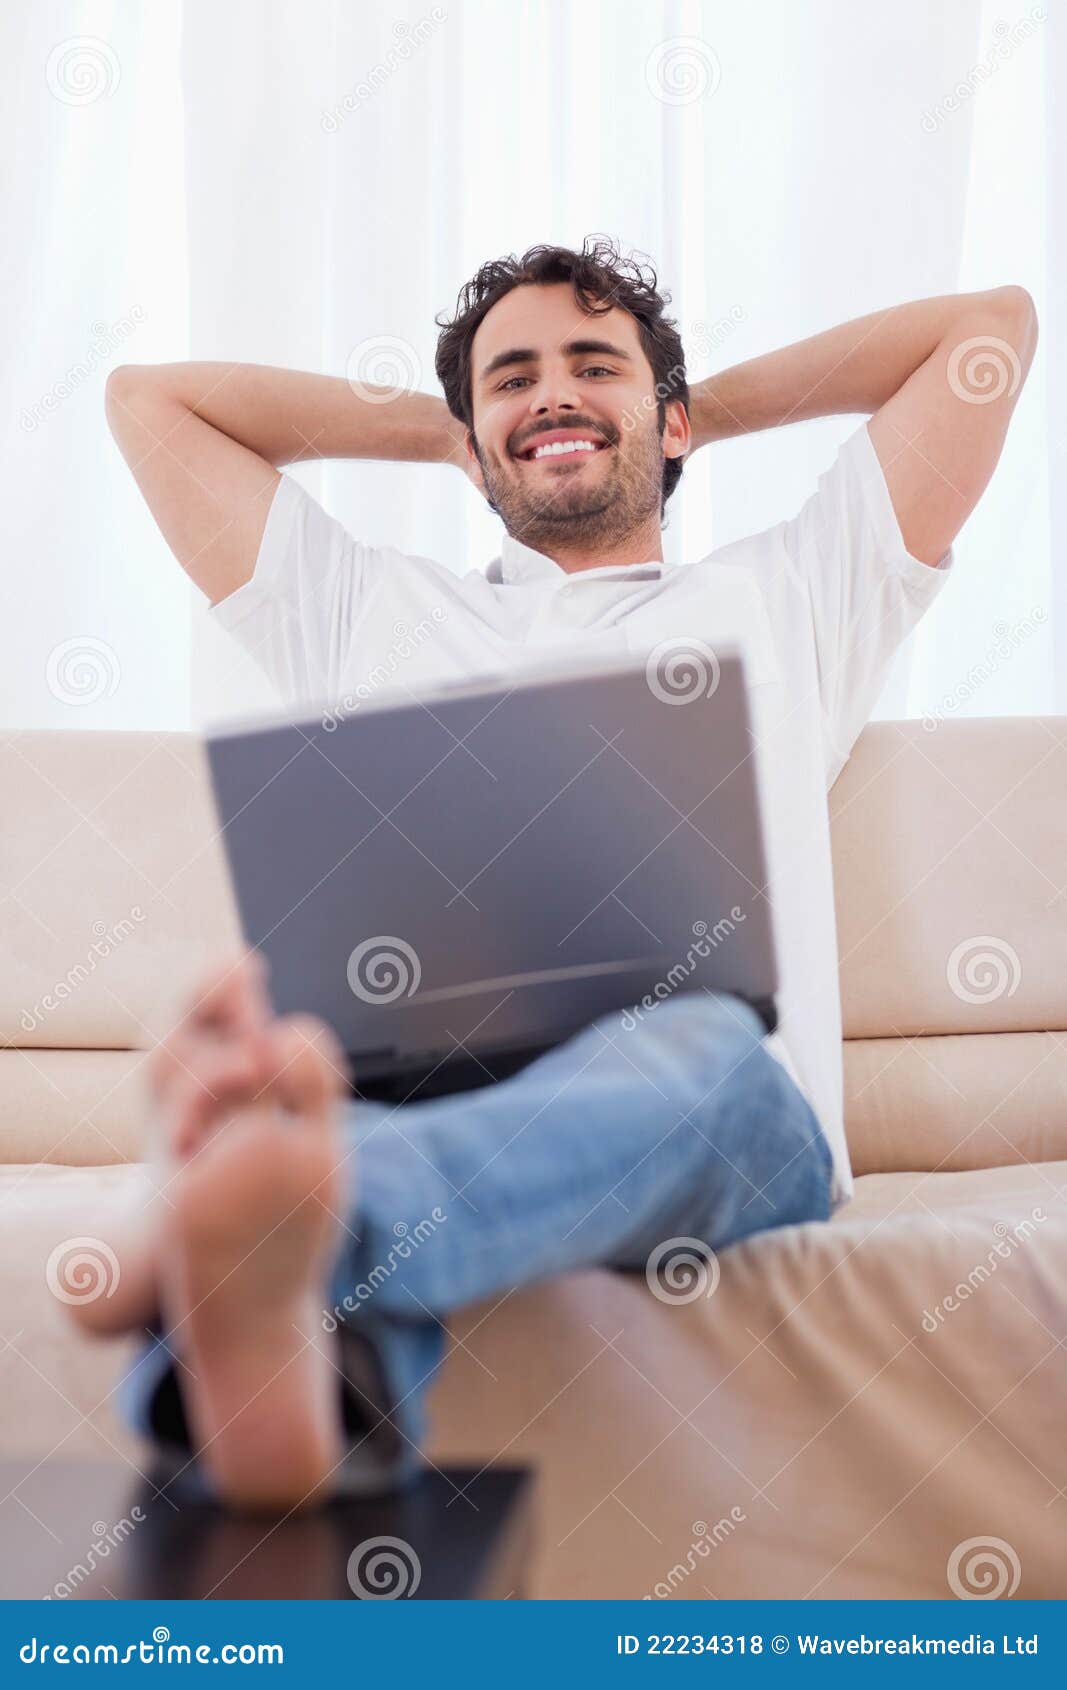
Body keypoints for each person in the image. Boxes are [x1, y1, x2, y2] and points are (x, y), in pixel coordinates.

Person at [72, 239, 1037, 1510]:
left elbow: (988, 329)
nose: (552, 394)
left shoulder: (796, 591)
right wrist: (459, 428)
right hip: (428, 1093)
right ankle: (293, 1387)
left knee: (696, 1047)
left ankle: (299, 1226)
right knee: (341, 1124)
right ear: (472, 439)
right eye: (511, 377)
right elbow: (151, 402)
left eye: (592, 365)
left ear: (670, 411)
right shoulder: (364, 609)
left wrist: (664, 415)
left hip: (712, 1102)